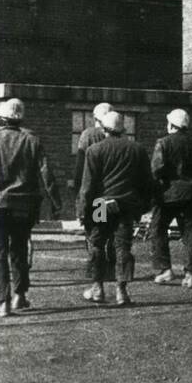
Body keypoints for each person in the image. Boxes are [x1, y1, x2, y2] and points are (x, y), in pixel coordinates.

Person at [0, 98, 61, 317]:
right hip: (25, 205)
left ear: (1, 119)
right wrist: (56, 203)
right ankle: (19, 295)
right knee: (19, 250)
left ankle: (2, 302)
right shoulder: (32, 140)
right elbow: (47, 173)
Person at [78, 111, 154, 307]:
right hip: (126, 205)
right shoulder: (137, 150)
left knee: (96, 244)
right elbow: (147, 183)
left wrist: (83, 211)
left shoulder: (94, 150)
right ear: (124, 129)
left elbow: (87, 187)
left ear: (103, 129)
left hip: (101, 204)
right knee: (123, 247)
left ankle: (97, 288)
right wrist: (142, 207)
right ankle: (121, 290)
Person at [149, 109, 192, 288]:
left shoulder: (163, 143)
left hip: (168, 196)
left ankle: (164, 269)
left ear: (171, 125)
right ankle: (191, 274)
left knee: (158, 229)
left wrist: (154, 193)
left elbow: (156, 170)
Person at [75, 102, 115, 278]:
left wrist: (79, 193)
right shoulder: (120, 138)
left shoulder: (88, 135)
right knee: (111, 233)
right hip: (113, 192)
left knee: (95, 233)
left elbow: (80, 167)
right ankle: (112, 269)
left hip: (95, 194)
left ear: (95, 118)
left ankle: (97, 270)